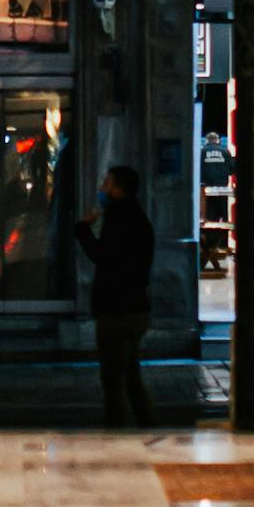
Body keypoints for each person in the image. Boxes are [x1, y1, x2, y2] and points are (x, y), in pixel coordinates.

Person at [77, 161, 158, 431]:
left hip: (117, 311)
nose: (101, 189)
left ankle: (117, 435)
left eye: (106, 184)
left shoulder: (119, 219)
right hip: (135, 308)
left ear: (118, 189)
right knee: (131, 377)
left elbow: (103, 257)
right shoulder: (138, 218)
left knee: (113, 380)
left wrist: (83, 230)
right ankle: (147, 427)